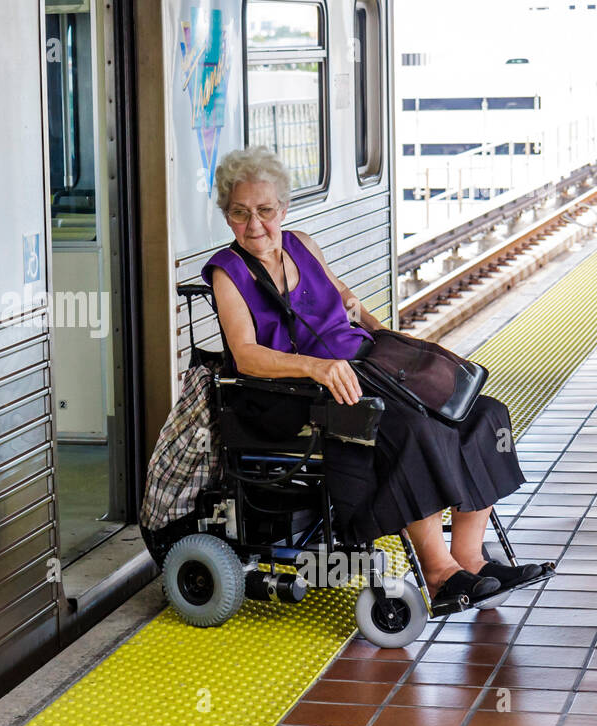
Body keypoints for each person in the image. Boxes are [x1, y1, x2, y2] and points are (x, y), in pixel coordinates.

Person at [202, 145, 541, 604]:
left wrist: (389, 343)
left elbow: (348, 301)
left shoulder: (302, 245)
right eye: (240, 214)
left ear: (283, 208)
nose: (255, 225)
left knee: (482, 413)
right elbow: (245, 356)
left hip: (364, 371)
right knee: (413, 429)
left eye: (265, 210)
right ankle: (439, 572)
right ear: (227, 217)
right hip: (295, 394)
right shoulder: (228, 272)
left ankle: (470, 556)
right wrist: (317, 367)